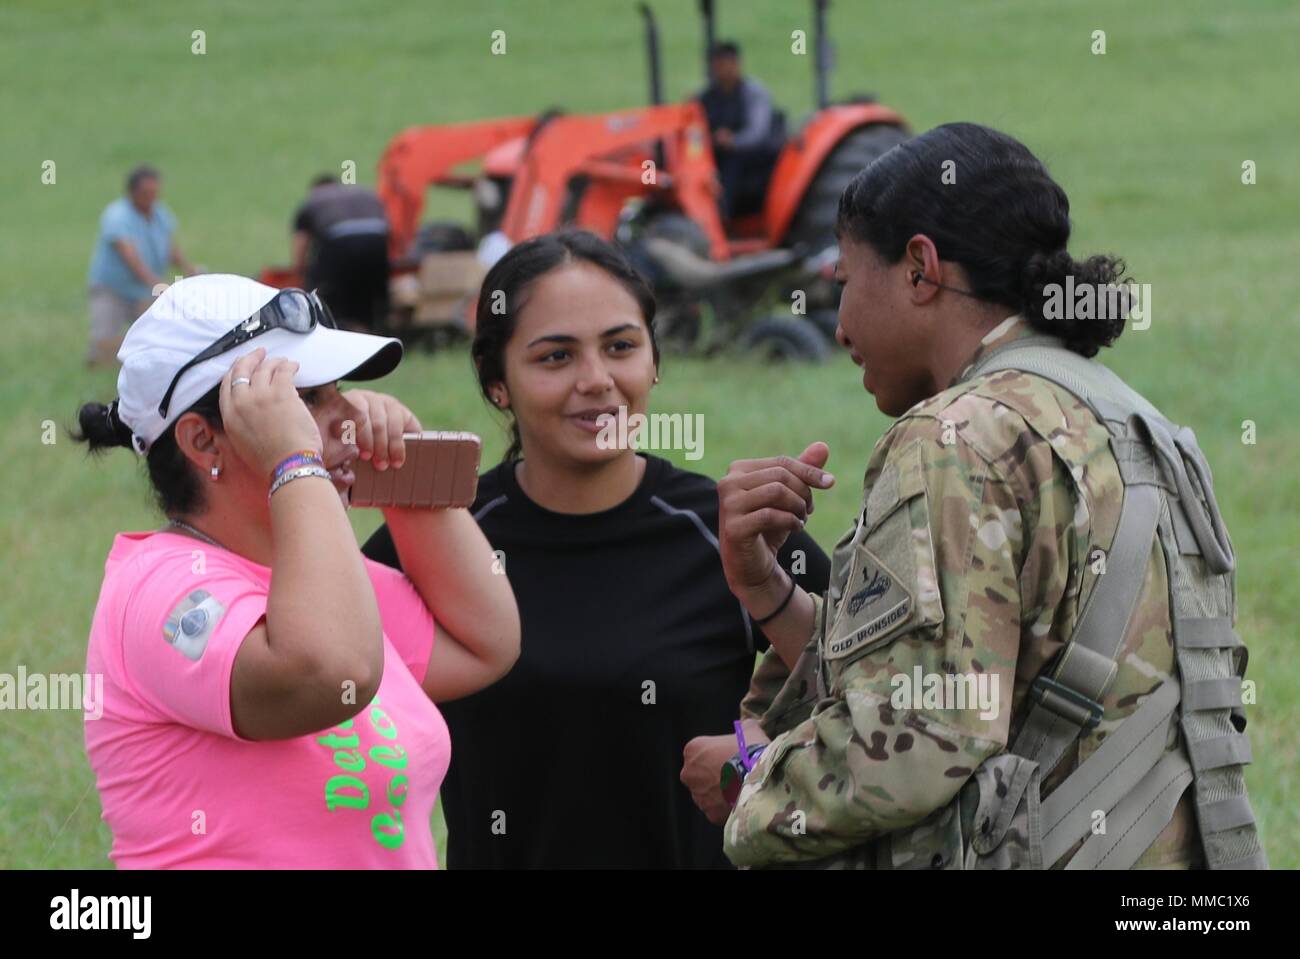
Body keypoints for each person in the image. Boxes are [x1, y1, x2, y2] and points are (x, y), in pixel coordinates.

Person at [714, 122, 1265, 870]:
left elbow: (917, 741)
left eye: (844, 283)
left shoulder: (953, 440)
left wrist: (746, 782)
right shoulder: (1138, 422)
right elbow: (1016, 671)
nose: (838, 326)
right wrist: (772, 592)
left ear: (919, 269)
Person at [363, 230, 830, 868]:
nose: (596, 380)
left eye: (621, 346)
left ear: (655, 362)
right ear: (496, 381)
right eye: (555, 357)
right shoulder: (442, 537)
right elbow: (305, 676)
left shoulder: (728, 530)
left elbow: (874, 697)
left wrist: (753, 754)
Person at [74, 273, 519, 868]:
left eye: (339, 391)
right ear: (203, 441)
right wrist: (298, 461)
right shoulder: (158, 590)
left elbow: (485, 642)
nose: (345, 415)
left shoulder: (317, 583)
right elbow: (329, 672)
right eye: (306, 398)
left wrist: (403, 479)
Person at [86, 165, 197, 367]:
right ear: (133, 193)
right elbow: (131, 259)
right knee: (102, 347)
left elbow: (170, 248)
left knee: (162, 337)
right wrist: (159, 285)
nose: (151, 198)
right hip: (113, 291)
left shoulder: (160, 213)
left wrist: (189, 269)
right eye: (146, 193)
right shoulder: (117, 216)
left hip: (143, 291)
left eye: (155, 193)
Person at [696, 41, 783, 219]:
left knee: (730, 164)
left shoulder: (754, 94)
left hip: (756, 155)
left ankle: (721, 216)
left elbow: (757, 133)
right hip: (719, 151)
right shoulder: (706, 97)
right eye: (716, 65)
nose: (720, 70)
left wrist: (733, 140)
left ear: (736, 64)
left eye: (724, 64)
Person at [292, 175, 391, 331]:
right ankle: (368, 333)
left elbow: (301, 245)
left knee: (333, 301)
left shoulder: (314, 200)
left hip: (339, 243)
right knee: (368, 301)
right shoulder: (364, 194)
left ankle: (337, 330)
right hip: (377, 239)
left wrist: (301, 274)